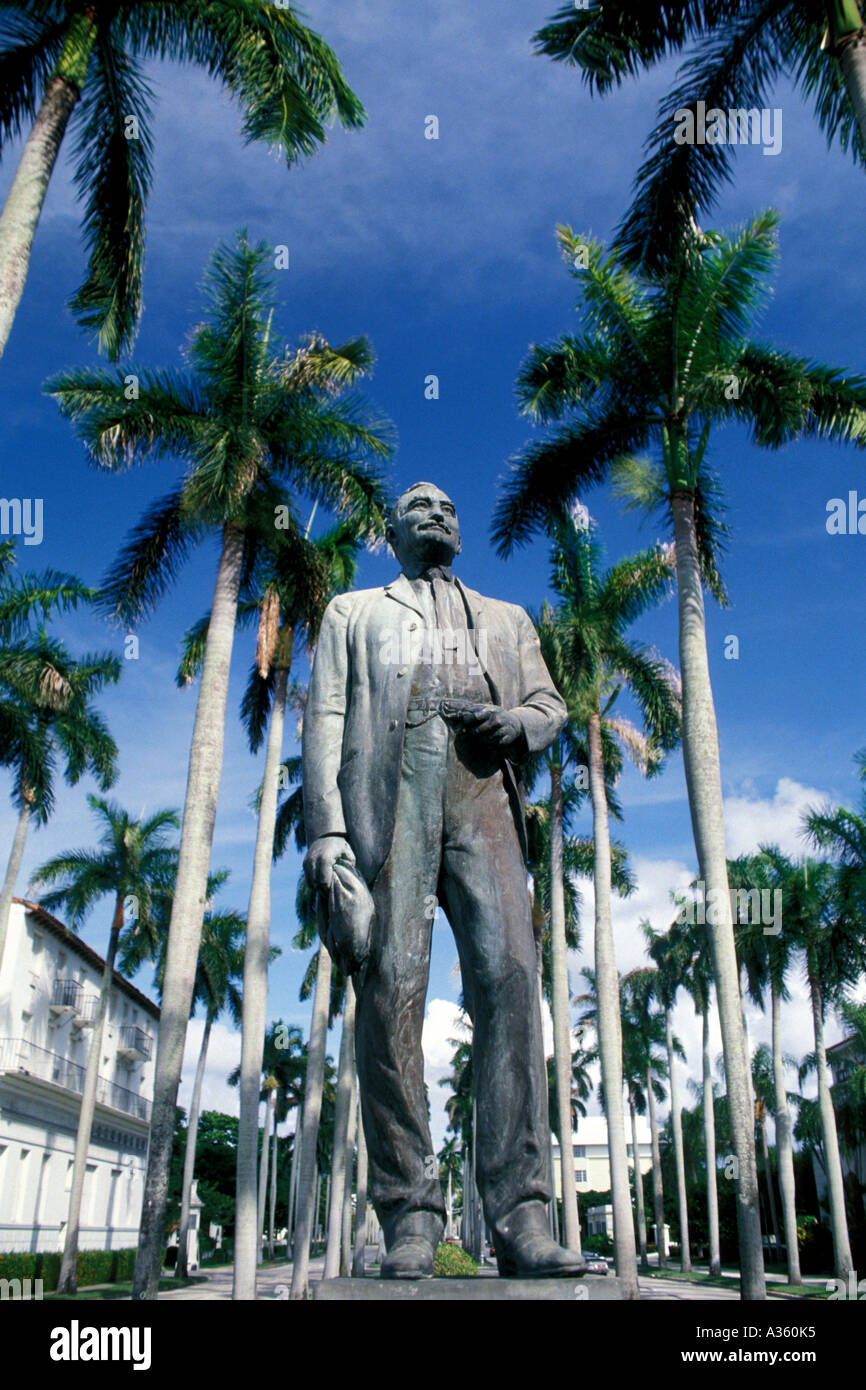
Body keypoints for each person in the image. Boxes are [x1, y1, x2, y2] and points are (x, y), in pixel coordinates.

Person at [303, 482, 585, 1279]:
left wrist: (521, 725)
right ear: (391, 531)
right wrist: (326, 829)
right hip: (390, 794)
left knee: (508, 974)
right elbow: (323, 720)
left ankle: (521, 1216)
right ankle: (411, 1217)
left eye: (449, 506)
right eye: (419, 505)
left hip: (481, 788)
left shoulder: (507, 619)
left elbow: (549, 705)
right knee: (391, 988)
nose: (437, 511)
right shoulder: (353, 614)